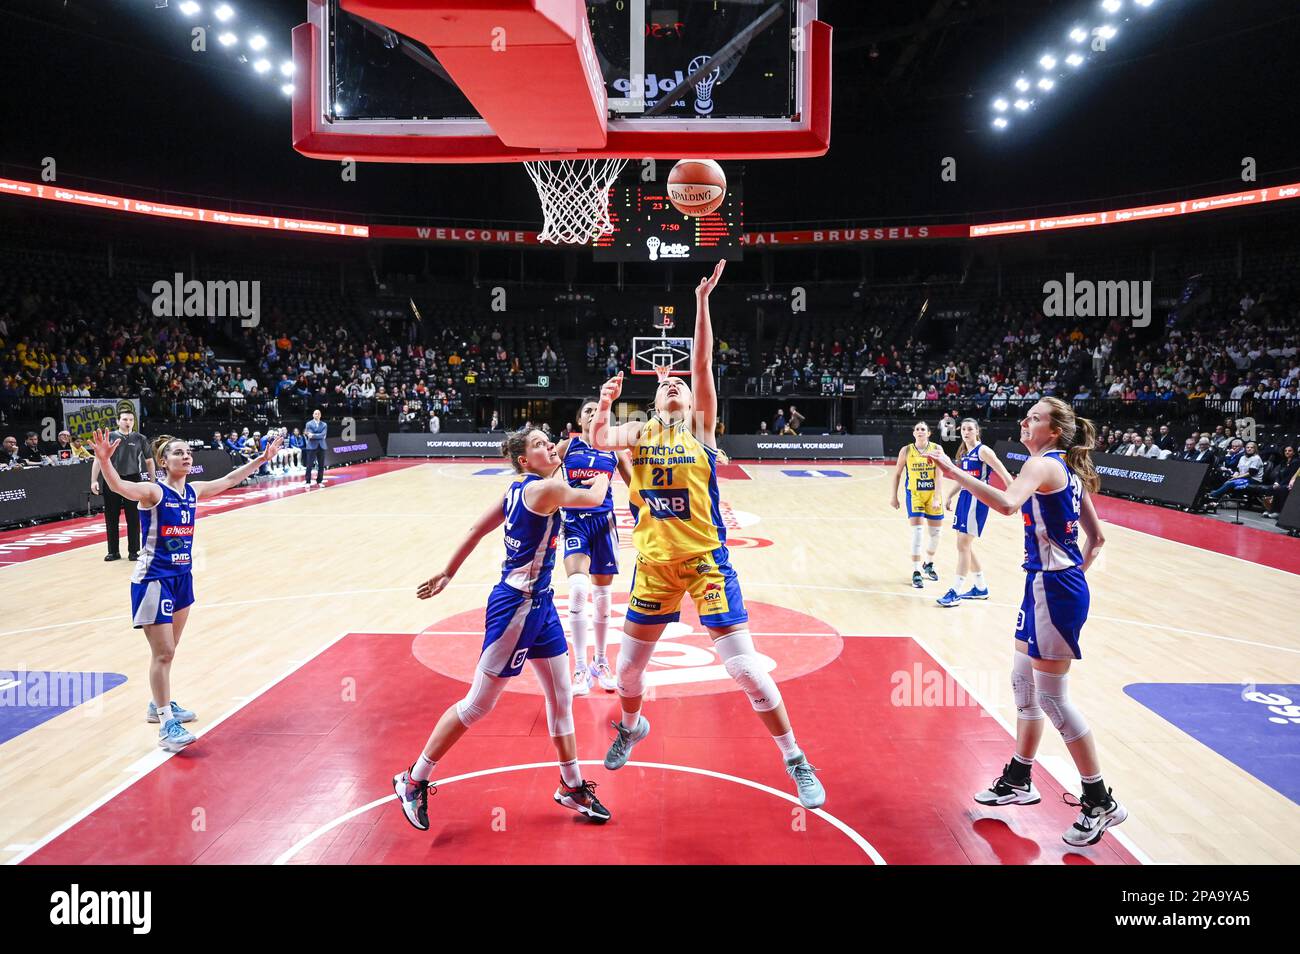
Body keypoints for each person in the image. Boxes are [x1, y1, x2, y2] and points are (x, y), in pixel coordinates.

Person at [591, 261, 825, 809]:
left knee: (744, 667)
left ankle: (795, 758)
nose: (674, 385)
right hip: (652, 567)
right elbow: (599, 438)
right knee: (627, 675)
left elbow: (701, 361)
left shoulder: (699, 428)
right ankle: (632, 726)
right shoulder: (640, 431)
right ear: (652, 403)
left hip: (705, 562)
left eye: (679, 385)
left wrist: (701, 302)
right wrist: (603, 402)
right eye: (665, 385)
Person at [925, 398, 1126, 847]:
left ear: (1053, 431)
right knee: (1023, 685)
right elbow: (1098, 540)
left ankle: (1100, 801)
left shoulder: (1042, 465)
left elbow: (1010, 505)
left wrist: (955, 473)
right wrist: (1072, 579)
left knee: (1052, 700)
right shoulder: (1070, 473)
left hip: (1052, 590)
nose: (1024, 420)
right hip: (1048, 587)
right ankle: (1019, 778)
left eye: (1034, 417)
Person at [394, 428, 615, 830]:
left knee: (562, 696)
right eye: (539, 445)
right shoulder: (540, 492)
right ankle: (413, 779)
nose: (549, 445)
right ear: (524, 461)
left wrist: (448, 572)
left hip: (541, 603)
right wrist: (609, 461)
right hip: (516, 607)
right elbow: (595, 497)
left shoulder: (518, 489)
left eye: (549, 440)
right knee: (478, 704)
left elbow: (476, 530)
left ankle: (571, 785)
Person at [89, 427, 284, 752]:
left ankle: (158, 704)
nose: (185, 455)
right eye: (178, 452)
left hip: (182, 578)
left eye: (188, 451)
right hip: (153, 579)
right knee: (163, 653)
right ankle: (166, 725)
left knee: (170, 650)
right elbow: (120, 487)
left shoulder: (192, 491)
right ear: (164, 461)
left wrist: (262, 459)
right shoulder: (154, 491)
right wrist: (105, 462)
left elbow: (230, 480)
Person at [553, 399, 634, 695]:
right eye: (588, 411)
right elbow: (542, 476)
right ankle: (580, 666)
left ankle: (601, 661)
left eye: (598, 411)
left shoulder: (614, 450)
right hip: (574, 522)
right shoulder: (566, 447)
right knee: (576, 590)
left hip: (604, 525)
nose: (594, 414)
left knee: (602, 595)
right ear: (579, 420)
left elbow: (636, 487)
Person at [936, 419, 1014, 607]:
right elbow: (963, 478)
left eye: (970, 429)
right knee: (964, 546)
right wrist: (950, 495)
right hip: (964, 499)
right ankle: (980, 587)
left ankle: (956, 590)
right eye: (963, 429)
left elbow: (1003, 473)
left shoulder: (983, 451)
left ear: (977, 431)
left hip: (977, 501)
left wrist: (1014, 498)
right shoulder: (965, 453)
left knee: (963, 545)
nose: (966, 432)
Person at [90, 410, 156, 563]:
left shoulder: (140, 438)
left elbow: (149, 461)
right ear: (118, 421)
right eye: (125, 419)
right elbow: (98, 460)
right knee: (111, 517)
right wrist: (94, 480)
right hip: (111, 480)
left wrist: (152, 481)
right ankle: (113, 552)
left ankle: (134, 551)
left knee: (133, 517)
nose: (128, 422)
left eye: (131, 419)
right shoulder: (110, 437)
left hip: (133, 480)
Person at [890, 421, 945, 589]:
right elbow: (897, 474)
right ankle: (916, 571)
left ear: (929, 433)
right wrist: (894, 496)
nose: (920, 431)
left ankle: (928, 564)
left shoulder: (936, 449)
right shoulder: (906, 450)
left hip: (933, 495)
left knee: (936, 534)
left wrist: (937, 497)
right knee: (918, 532)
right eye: (917, 429)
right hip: (914, 495)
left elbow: (939, 475)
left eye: (923, 429)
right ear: (914, 433)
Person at [304, 409, 327, 486]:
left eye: (318, 414)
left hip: (321, 446)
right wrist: (318, 436)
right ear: (313, 415)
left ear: (320, 415)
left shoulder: (324, 424)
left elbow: (323, 434)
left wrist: (314, 435)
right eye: (315, 414)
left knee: (321, 465)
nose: (317, 415)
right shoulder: (309, 424)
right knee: (309, 465)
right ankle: (308, 481)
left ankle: (319, 481)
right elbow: (309, 435)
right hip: (311, 447)